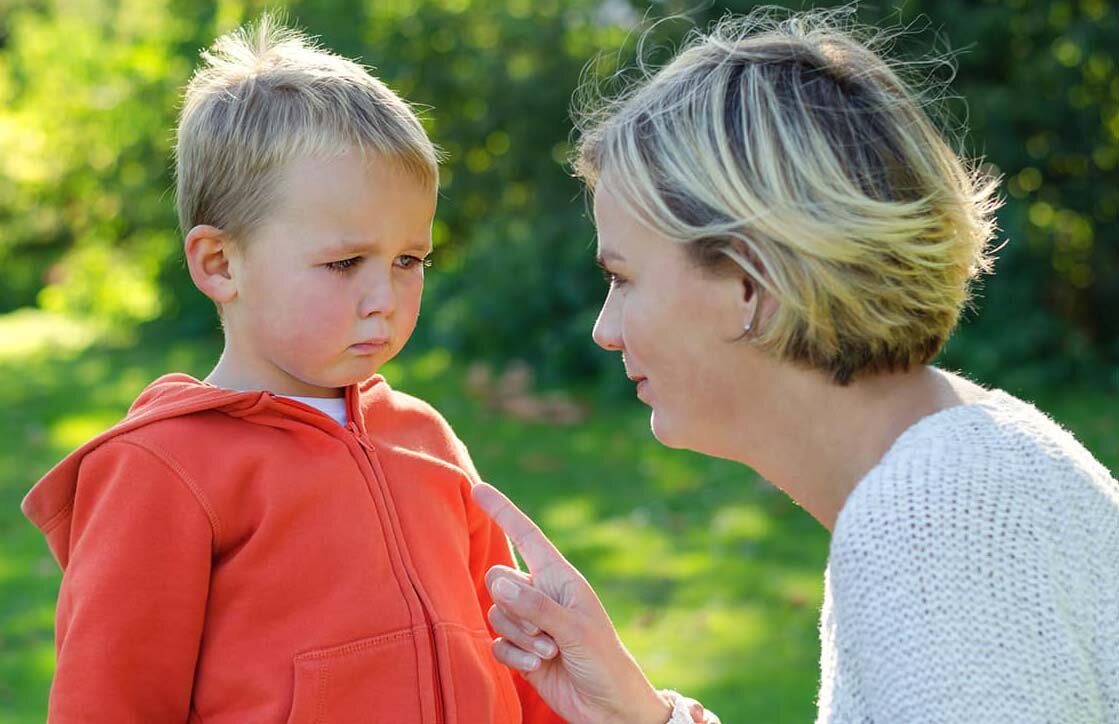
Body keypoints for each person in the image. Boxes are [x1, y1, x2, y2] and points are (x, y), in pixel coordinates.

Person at [472, 7, 1119, 724]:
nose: (605, 330)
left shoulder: (933, 530)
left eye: (623, 279)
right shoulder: (975, 457)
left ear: (751, 284)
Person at [19, 16, 566, 723]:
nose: (385, 298)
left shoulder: (426, 438)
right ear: (220, 263)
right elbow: (110, 703)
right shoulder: (162, 468)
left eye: (408, 260)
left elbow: (517, 655)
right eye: (345, 263)